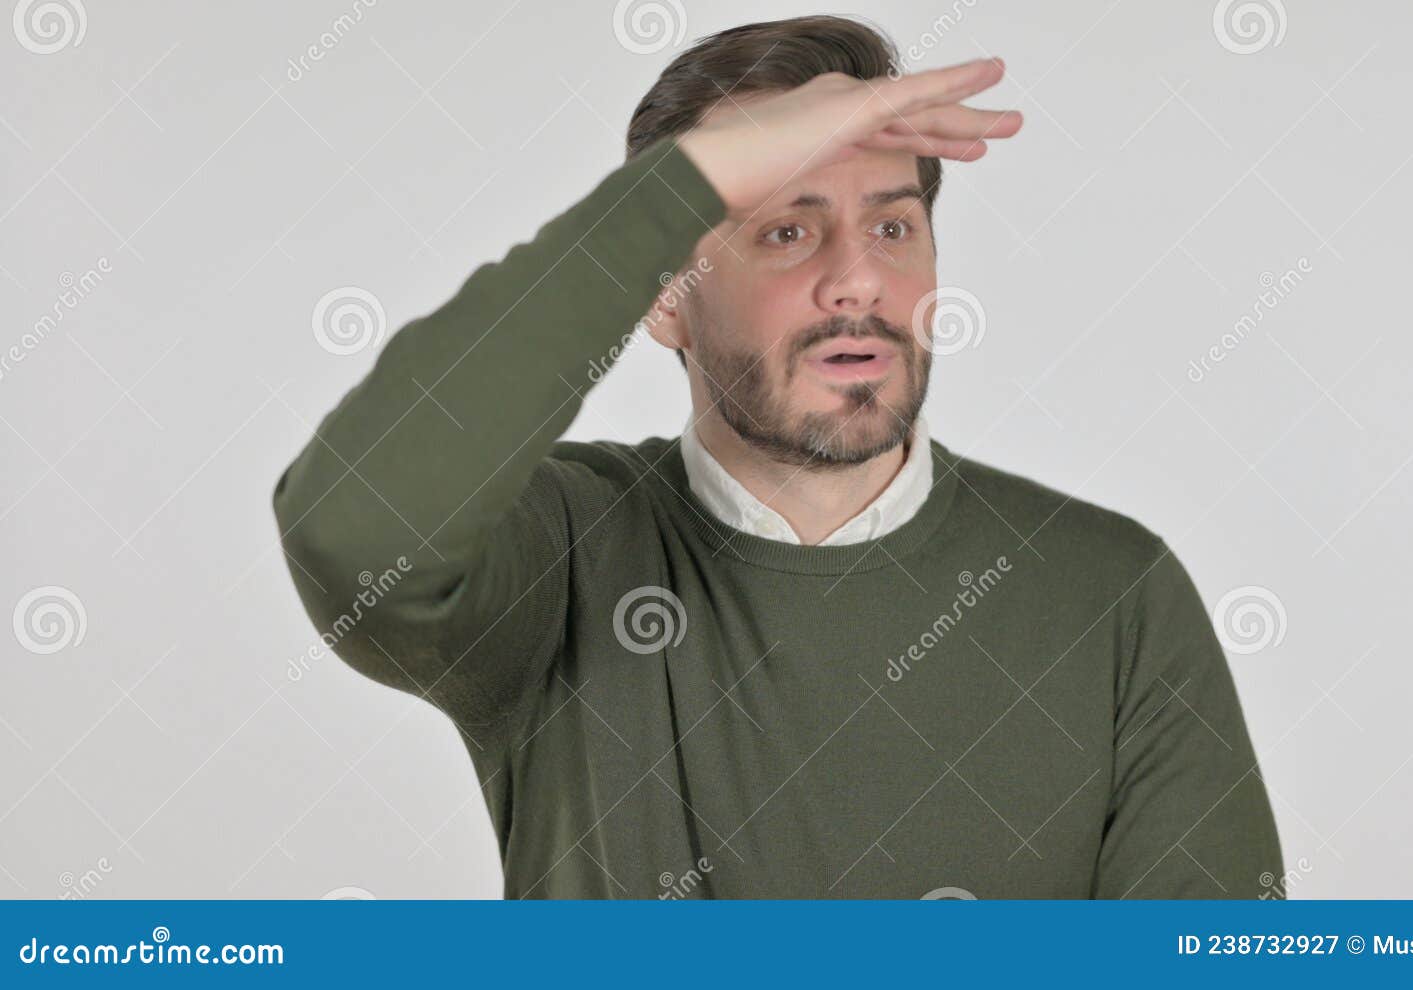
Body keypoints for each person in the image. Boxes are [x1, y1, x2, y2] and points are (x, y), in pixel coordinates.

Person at [271, 14, 1283, 899]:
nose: (858, 281)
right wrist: (689, 184)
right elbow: (353, 525)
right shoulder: (564, 557)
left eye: (893, 225)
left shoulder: (1110, 591)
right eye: (787, 230)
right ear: (664, 299)